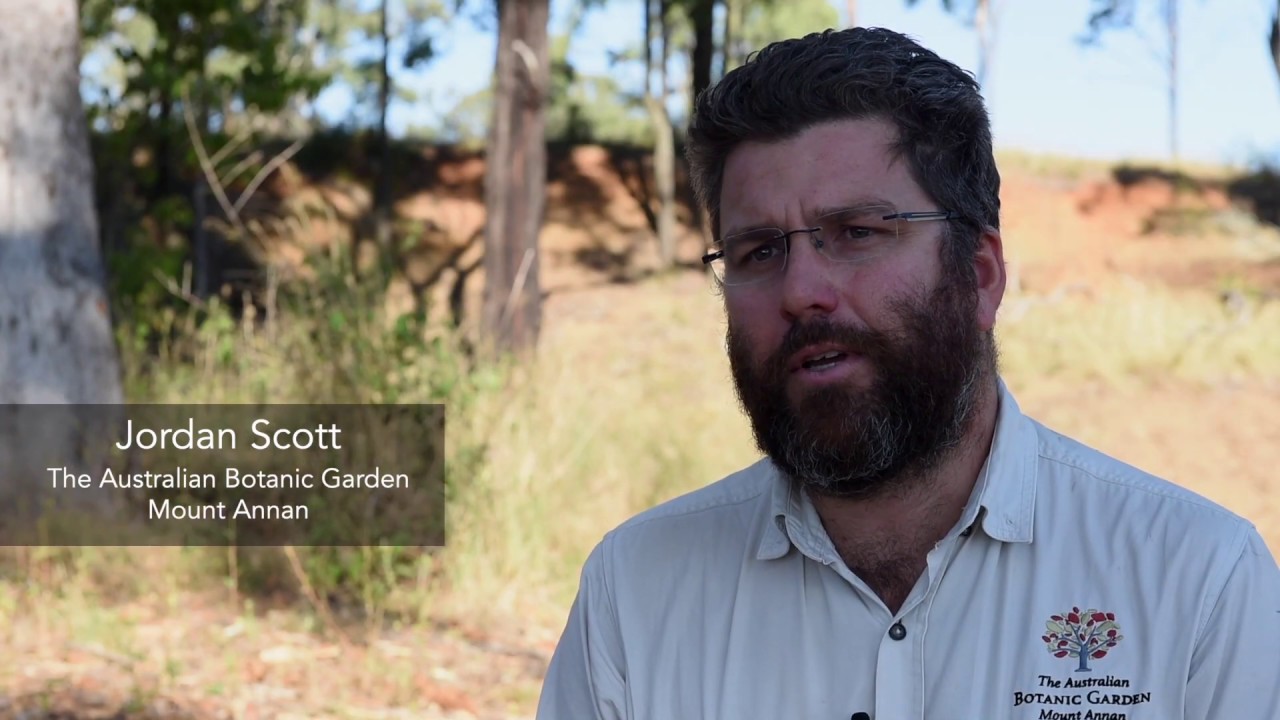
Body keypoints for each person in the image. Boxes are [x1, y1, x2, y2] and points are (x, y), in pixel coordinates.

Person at [535, 26, 1280, 720]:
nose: (801, 291)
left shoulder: (1197, 583)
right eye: (760, 251)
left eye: (857, 233)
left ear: (981, 275)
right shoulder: (635, 594)